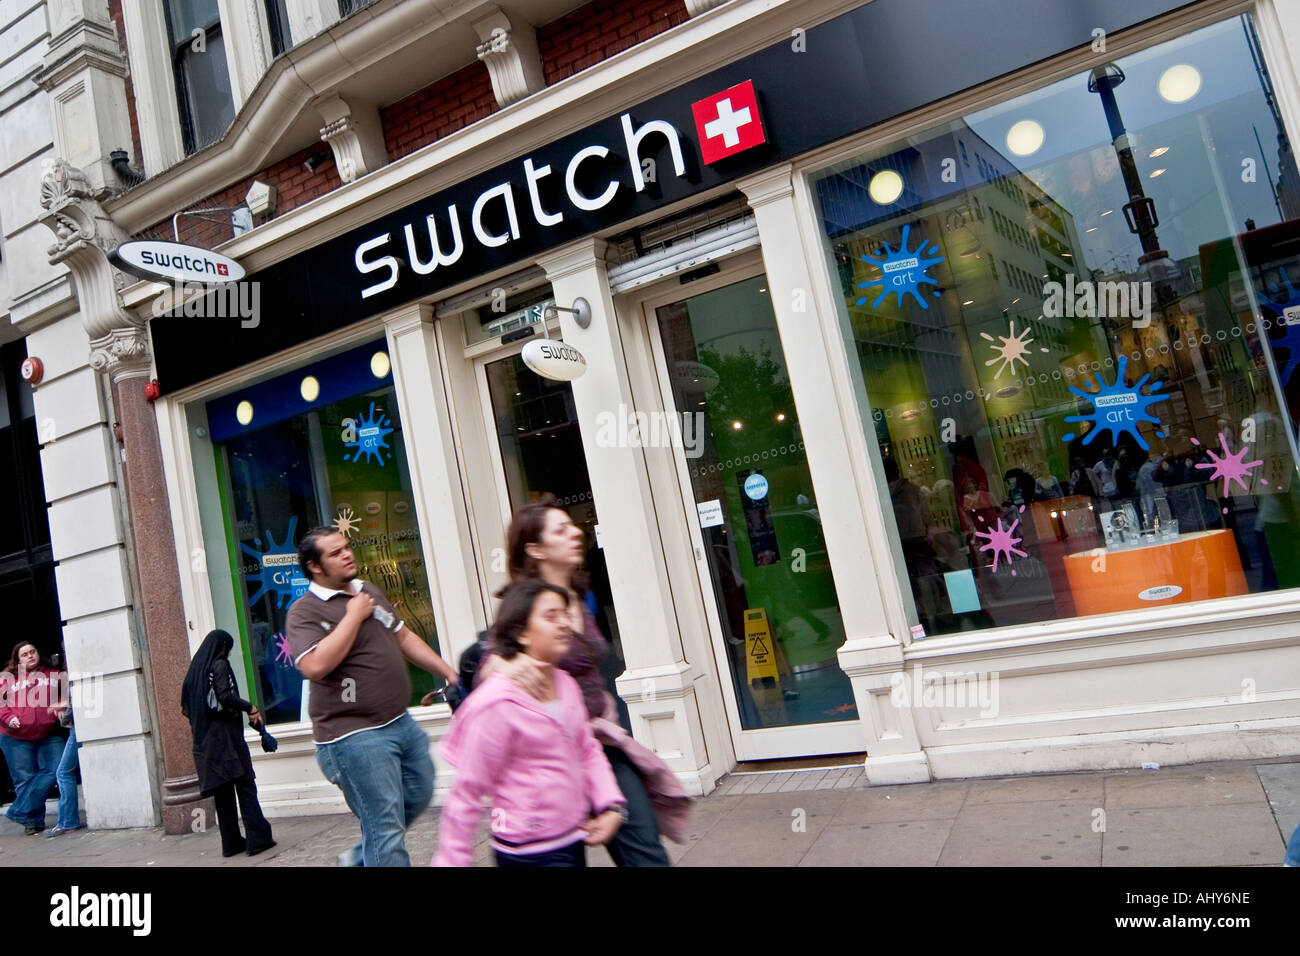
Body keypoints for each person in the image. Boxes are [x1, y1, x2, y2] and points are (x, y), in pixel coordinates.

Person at [476, 496, 690, 866]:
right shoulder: (522, 604)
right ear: (536, 549)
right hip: (552, 760)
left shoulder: (580, 595)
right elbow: (490, 669)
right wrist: (506, 667)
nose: (575, 533)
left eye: (572, 526)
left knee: (646, 853)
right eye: (560, 530)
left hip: (601, 746)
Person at [285, 526, 459, 866]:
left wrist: (447, 672)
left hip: (400, 723)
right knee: (385, 827)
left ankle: (361, 858)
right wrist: (352, 617)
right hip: (353, 737)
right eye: (336, 553)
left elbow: (403, 636)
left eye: (347, 547)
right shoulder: (304, 611)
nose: (348, 554)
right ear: (314, 566)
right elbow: (315, 666)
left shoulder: (367, 592)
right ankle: (373, 853)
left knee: (420, 792)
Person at [433, 580, 625, 867]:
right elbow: (468, 790)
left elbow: (586, 749)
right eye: (550, 616)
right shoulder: (499, 702)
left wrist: (609, 804)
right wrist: (452, 859)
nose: (564, 623)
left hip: (571, 839)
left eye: (565, 614)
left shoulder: (566, 685)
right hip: (526, 852)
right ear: (521, 632)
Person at [181, 630, 275, 857]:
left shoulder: (194, 674)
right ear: (222, 647)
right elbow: (225, 695)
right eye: (228, 648)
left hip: (206, 742)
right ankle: (258, 838)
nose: (229, 653)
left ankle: (231, 843)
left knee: (223, 795)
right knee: (245, 785)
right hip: (227, 739)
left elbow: (186, 708)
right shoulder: (219, 665)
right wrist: (249, 707)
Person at [0, 643, 67, 834]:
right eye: (24, 654)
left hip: (48, 733)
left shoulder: (54, 675)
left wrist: (62, 707)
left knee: (56, 770)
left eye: (33, 652)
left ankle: (18, 810)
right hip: (14, 737)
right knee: (24, 778)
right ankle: (33, 822)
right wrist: (8, 717)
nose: (30, 656)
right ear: (17, 659)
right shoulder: (7, 678)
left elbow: (66, 695)